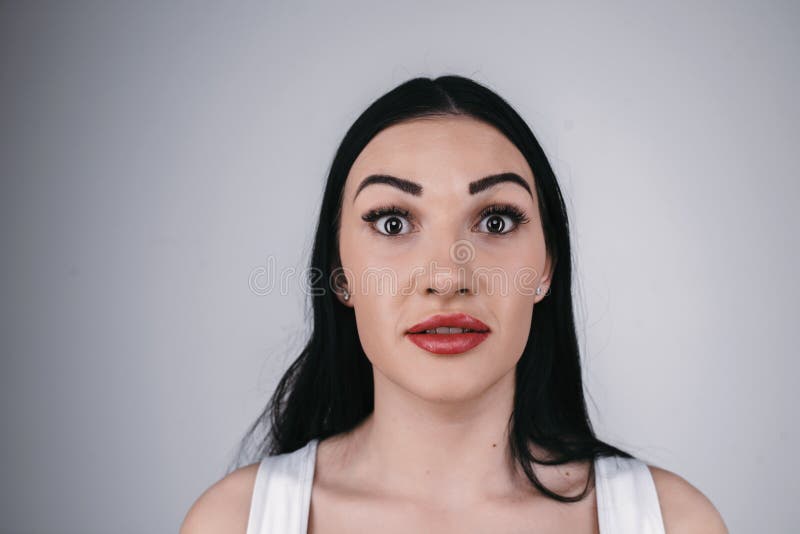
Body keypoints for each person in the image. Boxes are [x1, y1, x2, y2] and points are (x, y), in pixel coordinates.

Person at [181, 75, 728, 533]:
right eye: (392, 223)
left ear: (546, 268)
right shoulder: (230, 522)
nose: (447, 278)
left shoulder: (675, 523)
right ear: (340, 274)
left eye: (496, 221)